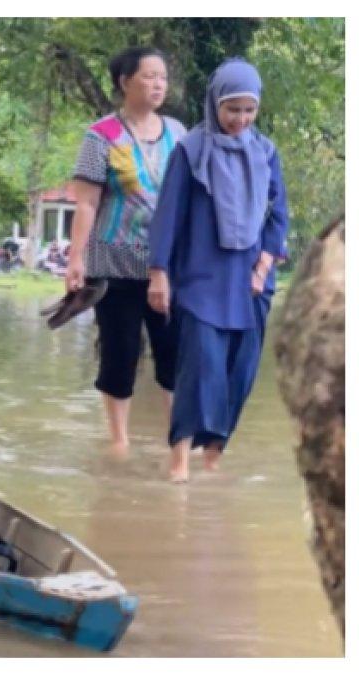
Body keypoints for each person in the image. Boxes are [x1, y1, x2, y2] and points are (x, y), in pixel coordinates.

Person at [147, 59, 288, 482]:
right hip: (202, 278)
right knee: (199, 370)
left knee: (238, 377)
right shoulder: (190, 150)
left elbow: (279, 216)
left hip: (250, 284)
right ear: (215, 104)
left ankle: (213, 463)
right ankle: (179, 463)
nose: (240, 120)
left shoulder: (265, 152)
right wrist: (159, 273)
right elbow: (167, 215)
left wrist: (263, 266)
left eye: (249, 110)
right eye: (232, 110)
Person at [66, 46, 187, 457]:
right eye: (149, 76)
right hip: (114, 264)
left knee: (173, 352)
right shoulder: (100, 136)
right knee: (120, 354)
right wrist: (75, 259)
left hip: (168, 266)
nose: (158, 85)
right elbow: (86, 202)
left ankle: (177, 438)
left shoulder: (178, 133)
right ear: (125, 82)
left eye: (162, 78)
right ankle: (119, 441)